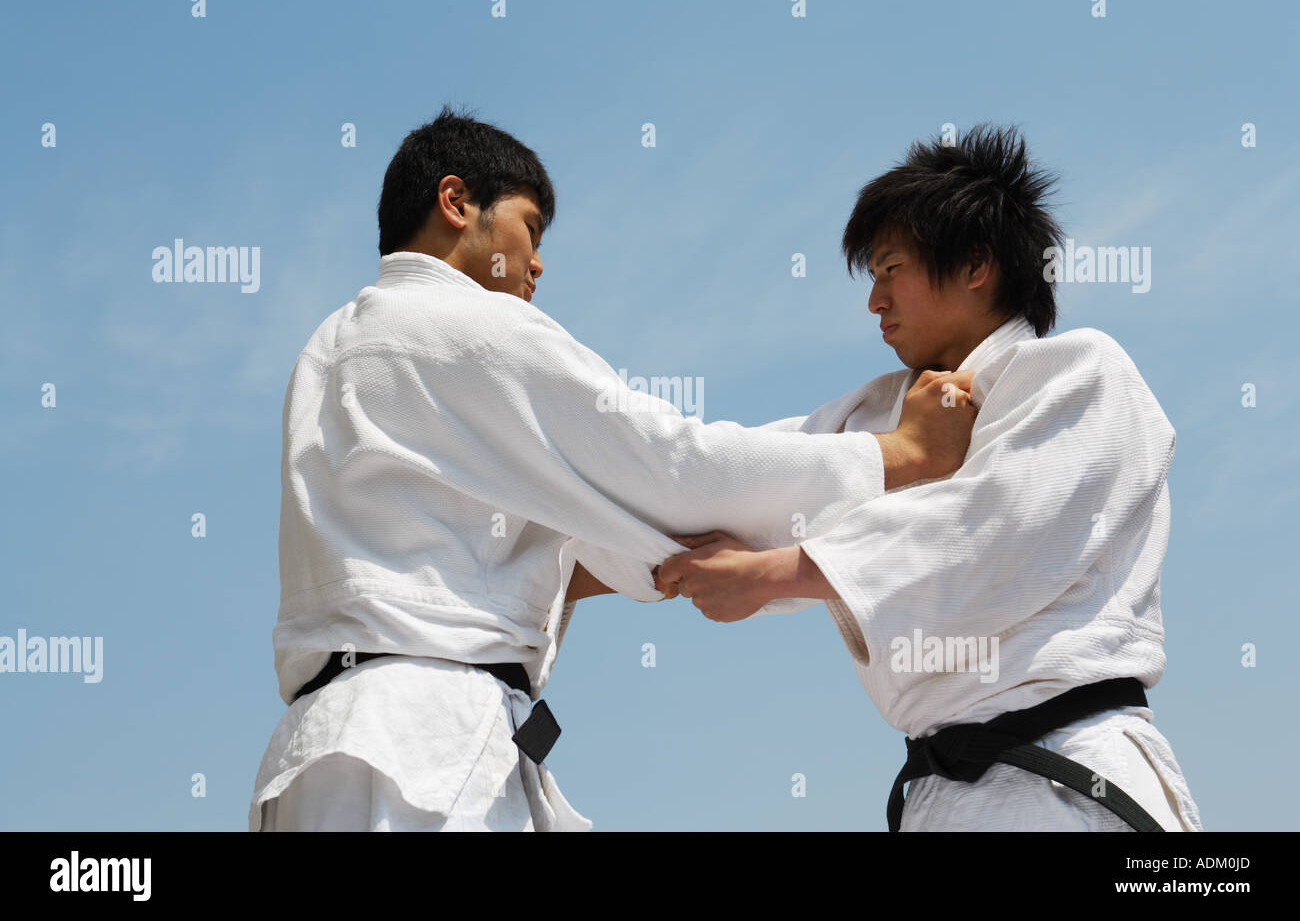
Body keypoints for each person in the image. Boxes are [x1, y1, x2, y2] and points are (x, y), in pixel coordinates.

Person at [248, 108, 976, 831]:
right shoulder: (471, 326)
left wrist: (677, 563)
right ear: (456, 202)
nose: (538, 262)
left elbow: (499, 549)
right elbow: (670, 467)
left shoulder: (327, 351)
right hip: (423, 752)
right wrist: (898, 453)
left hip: (324, 754)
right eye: (530, 228)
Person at [655, 124, 1203, 831]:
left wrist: (774, 574)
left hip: (1070, 772)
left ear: (976, 265)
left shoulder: (1080, 374)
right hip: (938, 795)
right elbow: (738, 479)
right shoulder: (882, 416)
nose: (874, 301)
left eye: (890, 270)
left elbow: (994, 533)